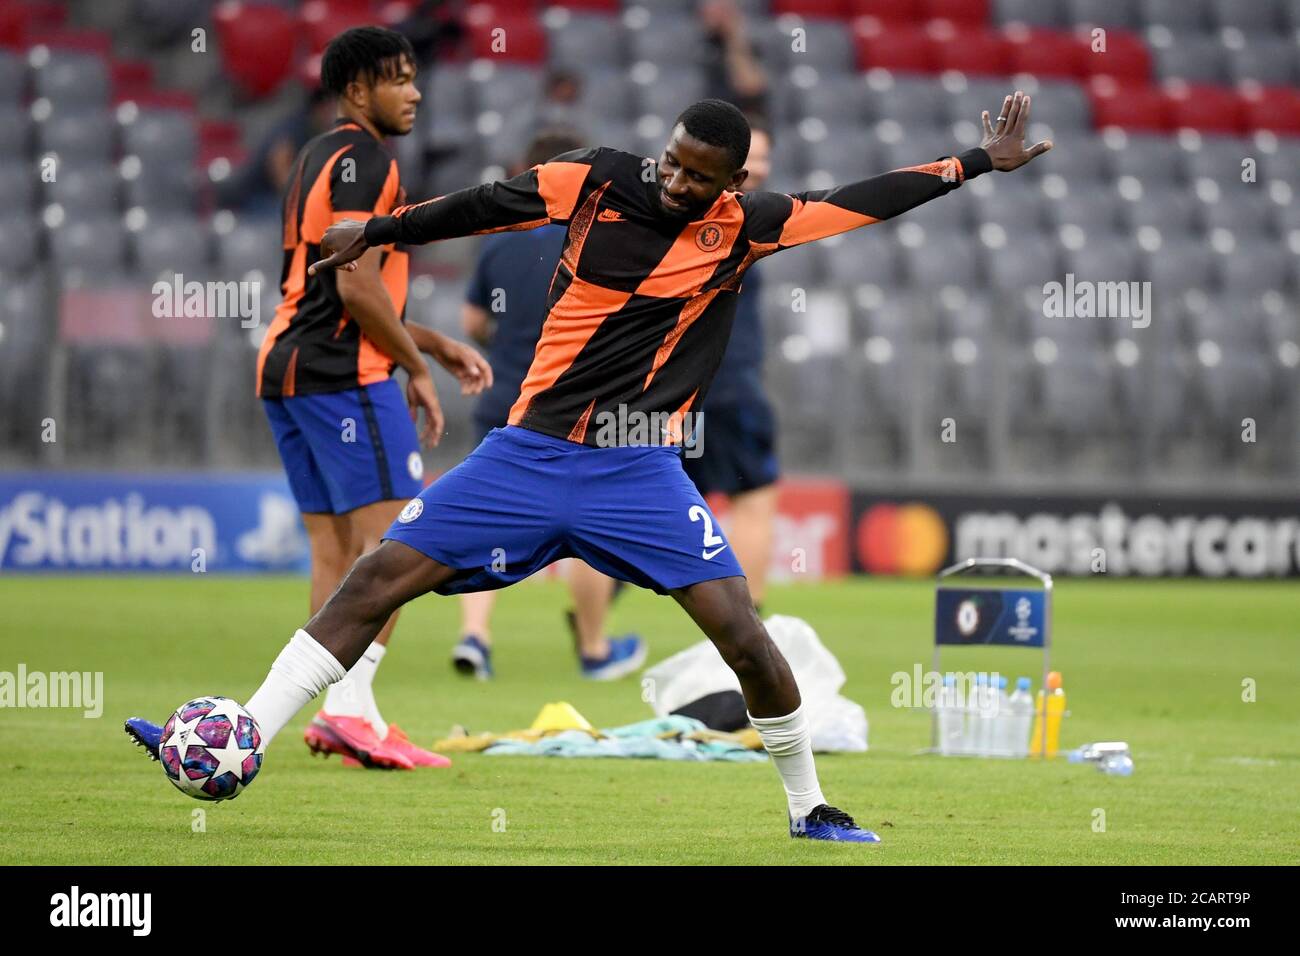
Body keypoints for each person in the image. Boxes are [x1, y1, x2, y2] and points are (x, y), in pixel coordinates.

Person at [129, 93, 1050, 841]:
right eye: (675, 161)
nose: (681, 182)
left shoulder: (748, 227)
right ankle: (245, 732)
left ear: (731, 183)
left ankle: (807, 804)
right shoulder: (598, 179)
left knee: (745, 635)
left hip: (636, 470)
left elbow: (863, 199)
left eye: (702, 176)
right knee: (375, 581)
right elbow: (485, 204)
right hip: (523, 454)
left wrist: (972, 165)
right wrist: (380, 230)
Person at [251, 27, 491, 770]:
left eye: (416, 77)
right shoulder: (369, 159)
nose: (415, 91)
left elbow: (328, 281)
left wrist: (430, 340)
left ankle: (341, 709)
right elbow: (355, 286)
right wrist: (414, 364)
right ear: (358, 90)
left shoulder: (316, 157)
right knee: (396, 548)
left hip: (286, 369)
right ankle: (352, 708)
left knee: (335, 549)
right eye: (398, 79)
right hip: (344, 377)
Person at [453, 129, 646, 681]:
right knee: (591, 531)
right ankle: (593, 648)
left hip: (503, 398)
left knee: (485, 522)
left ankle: (476, 636)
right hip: (575, 409)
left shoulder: (500, 240)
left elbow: (472, 323)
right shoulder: (605, 234)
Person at [682, 117, 777, 611]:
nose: (759, 167)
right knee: (755, 498)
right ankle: (751, 615)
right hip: (729, 388)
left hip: (675, 392)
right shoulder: (755, 223)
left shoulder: (682, 214)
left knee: (650, 503)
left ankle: (594, 618)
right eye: (751, 157)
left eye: (765, 157)